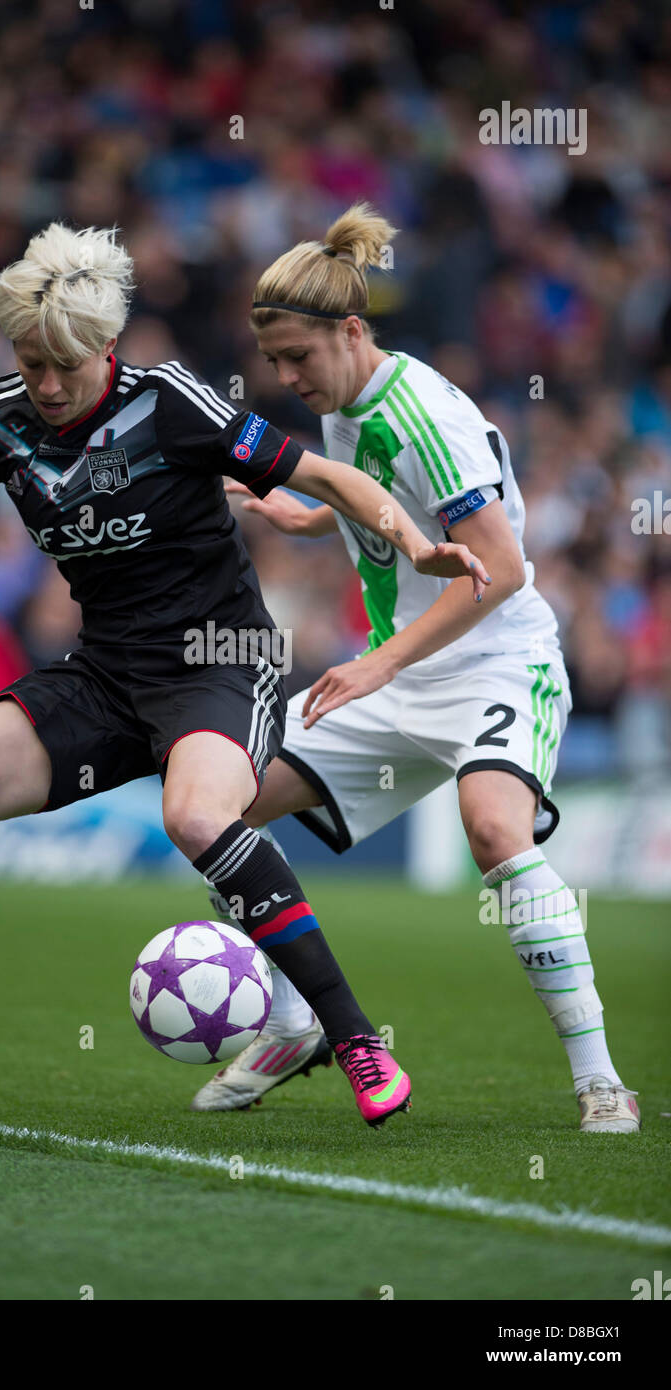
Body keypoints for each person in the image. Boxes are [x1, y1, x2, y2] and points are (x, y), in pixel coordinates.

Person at [0, 220, 490, 1128]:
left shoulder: (170, 402)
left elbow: (329, 480)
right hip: (101, 673)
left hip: (218, 662)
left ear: (108, 346)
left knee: (196, 815)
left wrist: (412, 539)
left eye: (67, 364)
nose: (47, 385)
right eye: (30, 361)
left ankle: (355, 1037)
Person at [191, 204, 640, 1135]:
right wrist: (305, 517)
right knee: (215, 807)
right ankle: (289, 1017)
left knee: (493, 833)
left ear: (350, 332)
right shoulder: (350, 401)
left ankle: (599, 1080)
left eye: (296, 359)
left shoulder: (421, 409)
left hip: (494, 661)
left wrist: (376, 663)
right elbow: (387, 502)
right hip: (400, 669)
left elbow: (501, 567)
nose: (283, 378)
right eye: (272, 361)